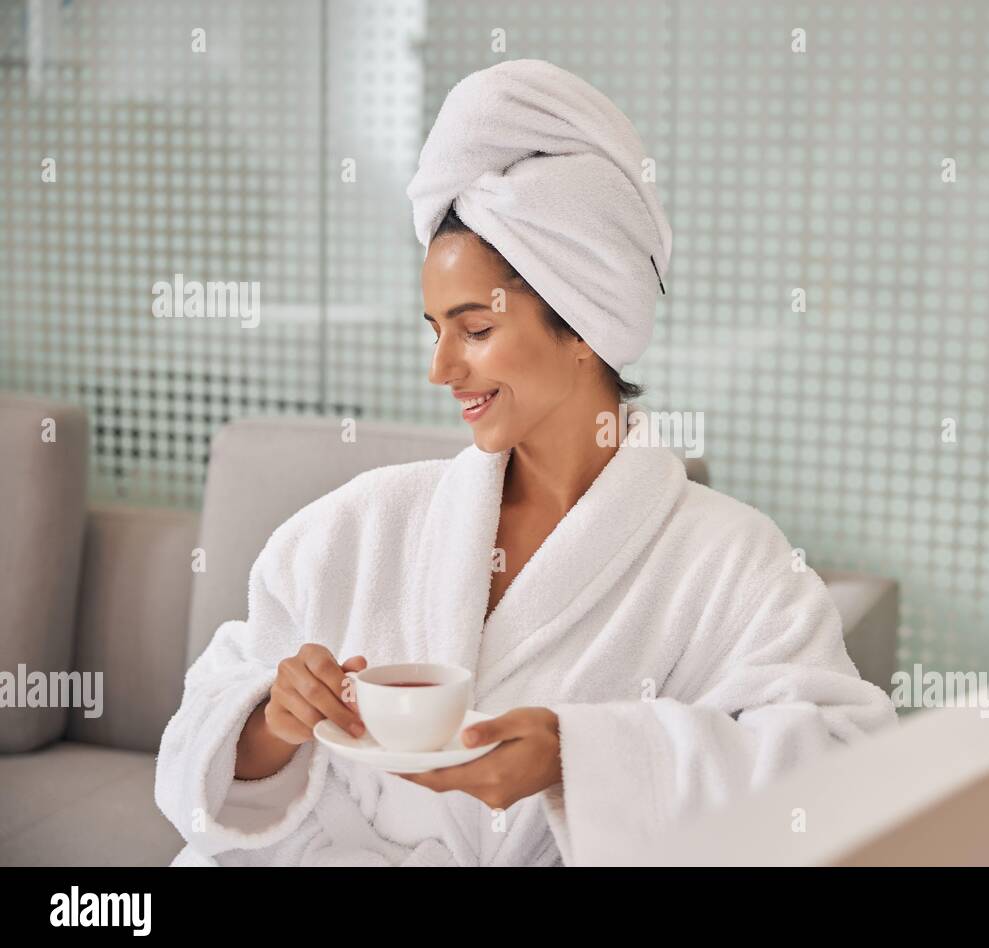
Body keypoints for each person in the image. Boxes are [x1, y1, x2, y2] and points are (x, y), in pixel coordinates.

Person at [155, 59, 897, 867]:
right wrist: (272, 720)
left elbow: (842, 769)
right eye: (435, 329)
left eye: (475, 330)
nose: (440, 369)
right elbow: (203, 746)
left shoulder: (730, 562)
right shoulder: (357, 526)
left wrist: (578, 758)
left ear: (581, 326)